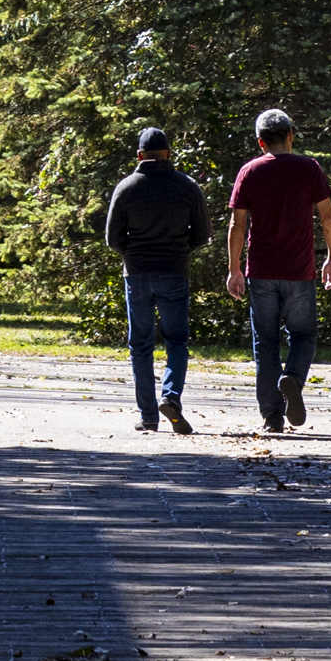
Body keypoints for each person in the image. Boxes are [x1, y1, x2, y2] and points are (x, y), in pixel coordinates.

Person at [223, 108, 331, 433]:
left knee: (266, 341)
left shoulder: (249, 171)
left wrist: (234, 269)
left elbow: (237, 223)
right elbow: (327, 217)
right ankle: (294, 379)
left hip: (260, 271)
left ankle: (272, 417)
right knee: (304, 335)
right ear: (290, 135)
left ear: (261, 142)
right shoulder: (309, 169)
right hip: (299, 271)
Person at [102, 127, 205, 433]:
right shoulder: (186, 187)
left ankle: (148, 416)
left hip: (137, 274)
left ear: (139, 155)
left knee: (141, 345)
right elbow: (201, 235)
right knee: (176, 341)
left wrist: (132, 254)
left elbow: (112, 238)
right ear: (169, 154)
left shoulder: (127, 187)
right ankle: (171, 396)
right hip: (174, 271)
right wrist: (179, 250)